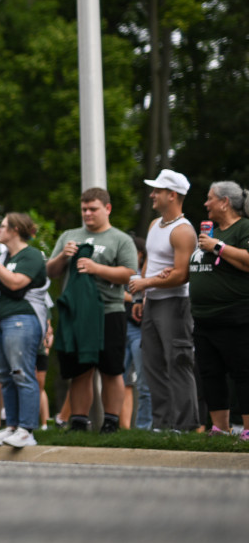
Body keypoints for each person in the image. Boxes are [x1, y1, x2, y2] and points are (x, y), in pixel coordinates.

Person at [47, 187, 138, 434]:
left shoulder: (120, 239)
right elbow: (50, 271)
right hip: (77, 314)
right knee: (80, 371)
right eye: (84, 209)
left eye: (93, 209)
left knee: (111, 368)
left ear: (107, 209)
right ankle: (78, 421)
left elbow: (130, 274)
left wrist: (97, 268)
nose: (87, 213)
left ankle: (111, 421)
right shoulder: (69, 235)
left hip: (109, 310)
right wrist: (62, 258)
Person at [128, 169, 199, 432]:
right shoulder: (154, 225)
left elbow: (181, 274)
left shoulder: (183, 231)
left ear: (172, 195)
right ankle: (161, 425)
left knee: (178, 362)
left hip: (174, 304)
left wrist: (146, 283)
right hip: (152, 302)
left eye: (157, 191)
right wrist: (141, 296)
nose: (152, 195)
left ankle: (185, 426)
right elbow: (150, 263)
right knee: (153, 364)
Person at [0, 213, 47, 448]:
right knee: (4, 375)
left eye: (3, 226)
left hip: (21, 319)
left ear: (16, 229)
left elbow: (17, 282)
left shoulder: (32, 255)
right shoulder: (2, 256)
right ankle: (11, 427)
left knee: (21, 373)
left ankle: (27, 430)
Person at [187, 181, 249, 438]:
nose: (205, 203)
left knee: (243, 372)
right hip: (203, 318)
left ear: (225, 202)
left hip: (235, 315)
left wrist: (217, 246)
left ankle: (247, 429)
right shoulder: (209, 233)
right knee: (210, 373)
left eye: (210, 198)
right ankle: (220, 428)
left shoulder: (243, 228)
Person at [121, 237, 153, 430]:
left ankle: (145, 426)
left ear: (140, 254)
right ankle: (122, 427)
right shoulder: (123, 271)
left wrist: (128, 296)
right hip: (122, 326)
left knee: (143, 381)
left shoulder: (148, 273)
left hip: (141, 329)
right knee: (119, 379)